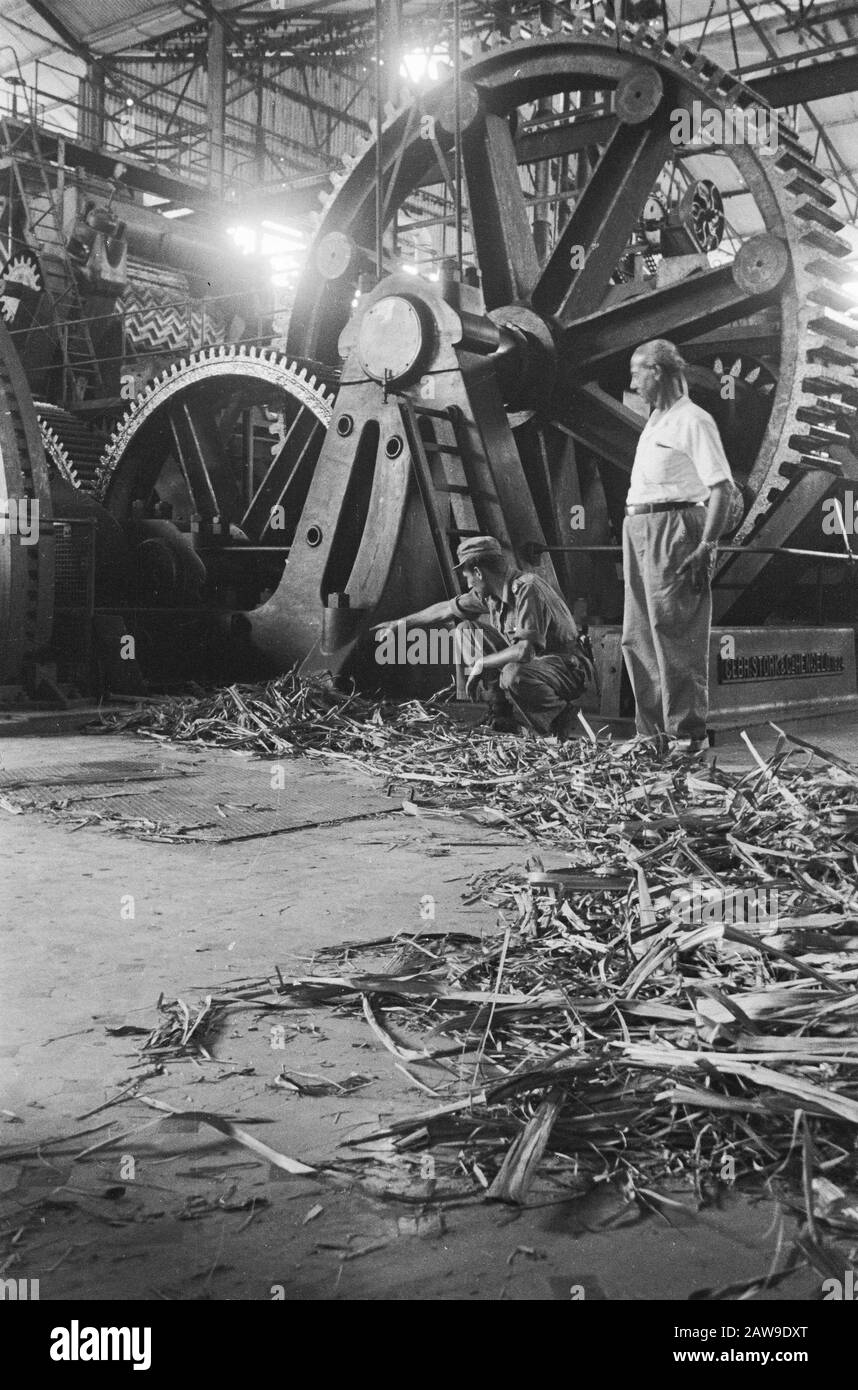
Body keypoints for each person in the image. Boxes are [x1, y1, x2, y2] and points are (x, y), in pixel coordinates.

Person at [623, 338, 734, 756]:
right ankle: (650, 736)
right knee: (637, 636)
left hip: (675, 526)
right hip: (639, 525)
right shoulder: (656, 419)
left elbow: (722, 488)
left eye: (637, 372)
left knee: (676, 632)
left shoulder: (693, 419)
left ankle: (687, 736)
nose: (632, 382)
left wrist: (707, 545)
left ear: (660, 372)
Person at [370, 535, 595, 734]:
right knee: (466, 630)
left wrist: (481, 664)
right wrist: (400, 624)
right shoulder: (490, 593)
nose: (468, 583)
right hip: (536, 664)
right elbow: (446, 609)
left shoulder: (527, 589)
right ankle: (501, 713)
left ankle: (560, 719)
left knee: (513, 673)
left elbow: (524, 651)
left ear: (478, 572)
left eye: (468, 576)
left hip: (567, 667)